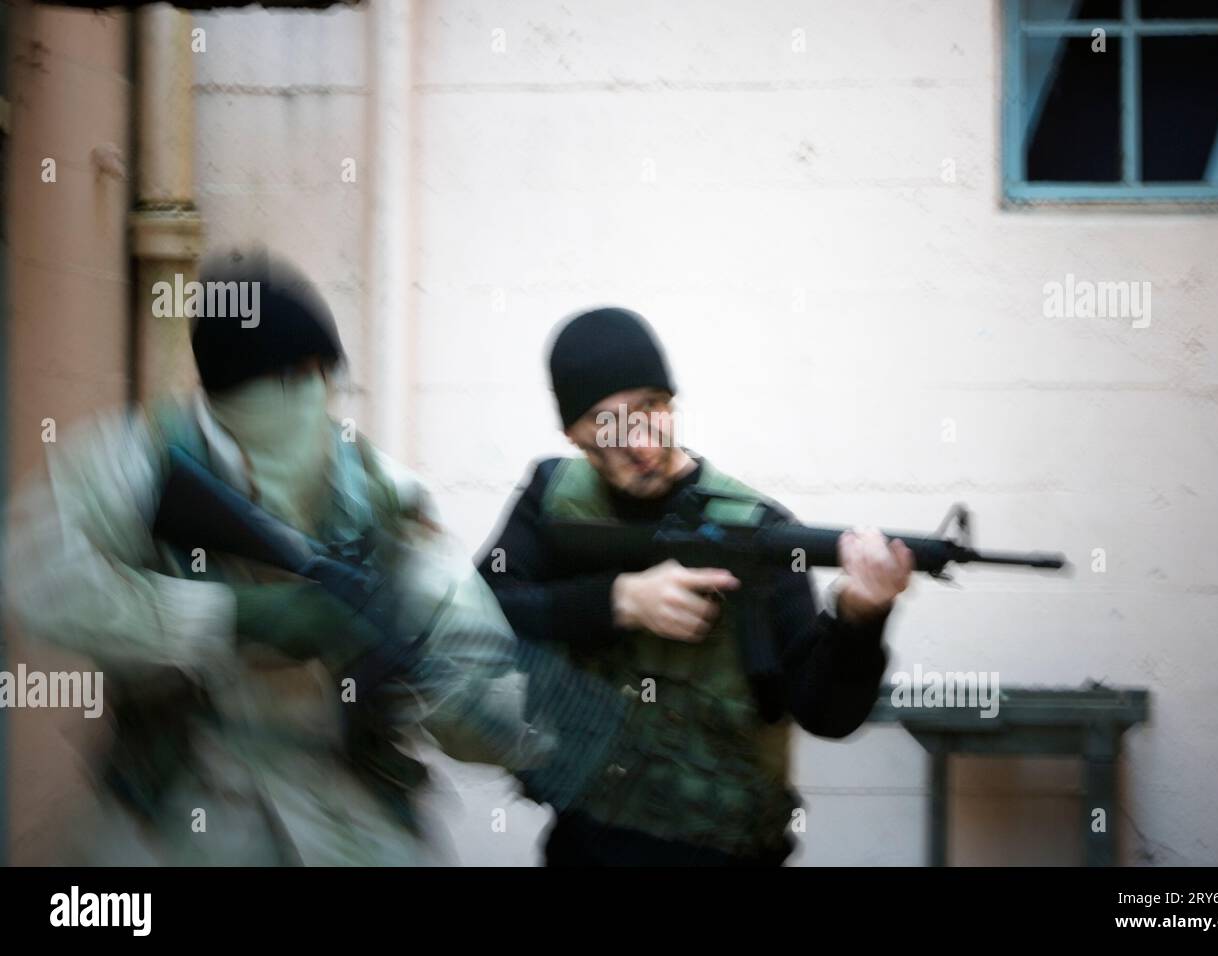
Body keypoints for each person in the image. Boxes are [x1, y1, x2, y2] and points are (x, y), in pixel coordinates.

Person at [5, 250, 542, 865]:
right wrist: (232, 616)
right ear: (221, 390)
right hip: (176, 822)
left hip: (350, 823)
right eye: (282, 376)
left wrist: (421, 686)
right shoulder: (137, 464)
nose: (304, 393)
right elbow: (37, 578)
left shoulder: (383, 495)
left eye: (314, 373)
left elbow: (479, 670)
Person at [477, 306, 913, 866]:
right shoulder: (553, 500)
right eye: (608, 424)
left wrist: (859, 619)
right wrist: (618, 602)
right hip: (586, 848)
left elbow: (826, 715)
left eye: (651, 409)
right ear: (573, 434)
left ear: (672, 404)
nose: (639, 442)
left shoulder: (758, 527)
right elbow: (478, 613)